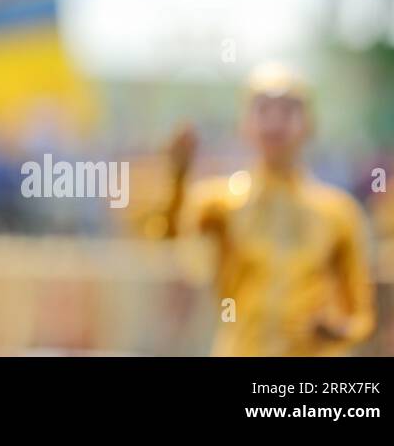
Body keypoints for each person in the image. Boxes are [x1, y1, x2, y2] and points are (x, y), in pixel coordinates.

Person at [160, 62, 375, 356]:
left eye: (287, 110)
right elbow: (169, 239)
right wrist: (177, 177)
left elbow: (361, 315)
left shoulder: (338, 212)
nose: (274, 122)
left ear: (310, 124)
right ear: (244, 124)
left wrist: (336, 330)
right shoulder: (220, 204)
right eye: (263, 109)